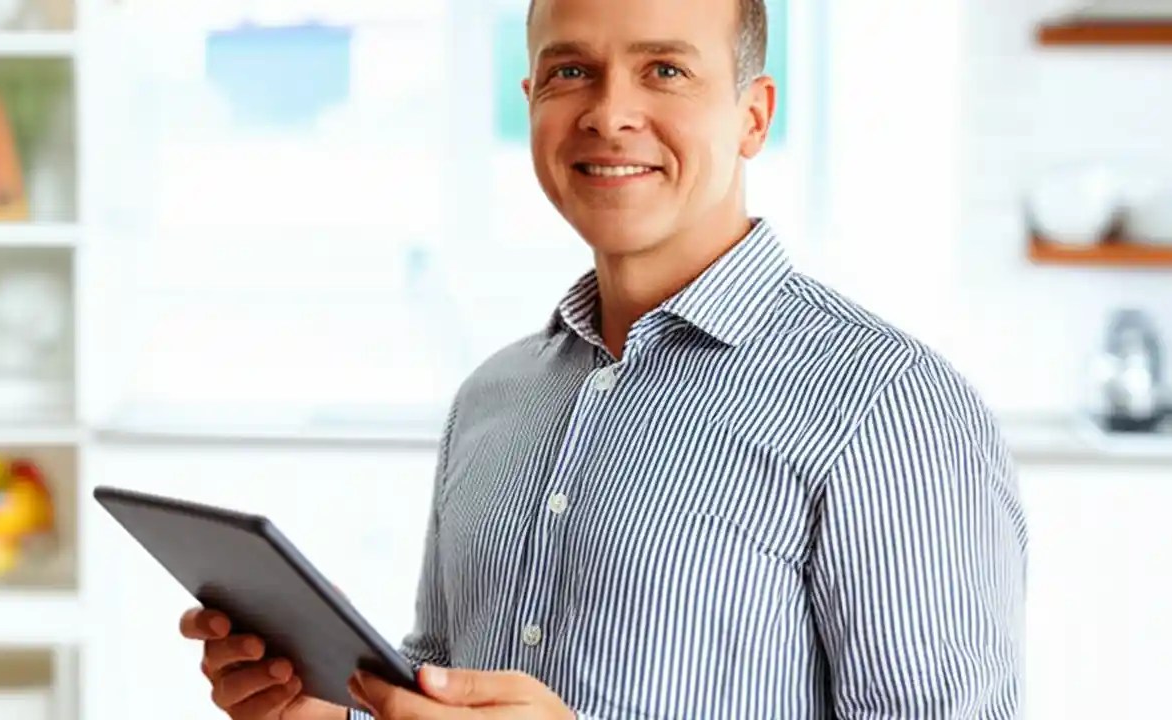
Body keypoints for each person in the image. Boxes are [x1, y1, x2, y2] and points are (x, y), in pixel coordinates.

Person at [181, 0, 1029, 717]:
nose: (608, 112)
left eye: (664, 71)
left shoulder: (891, 409)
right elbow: (442, 679)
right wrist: (326, 708)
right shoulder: (495, 397)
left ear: (753, 116)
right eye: (570, 71)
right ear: (531, 101)